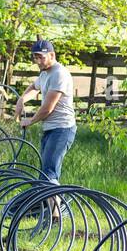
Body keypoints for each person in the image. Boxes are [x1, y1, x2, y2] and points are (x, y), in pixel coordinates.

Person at [14, 39, 77, 215]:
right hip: (50, 129)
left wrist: (30, 121)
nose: (38, 61)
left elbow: (48, 108)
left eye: (41, 57)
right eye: (35, 58)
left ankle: (57, 215)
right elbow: (35, 87)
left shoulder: (59, 74)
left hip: (62, 129)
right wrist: (22, 99)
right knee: (45, 173)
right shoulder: (45, 73)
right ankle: (50, 211)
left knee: (49, 172)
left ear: (52, 55)